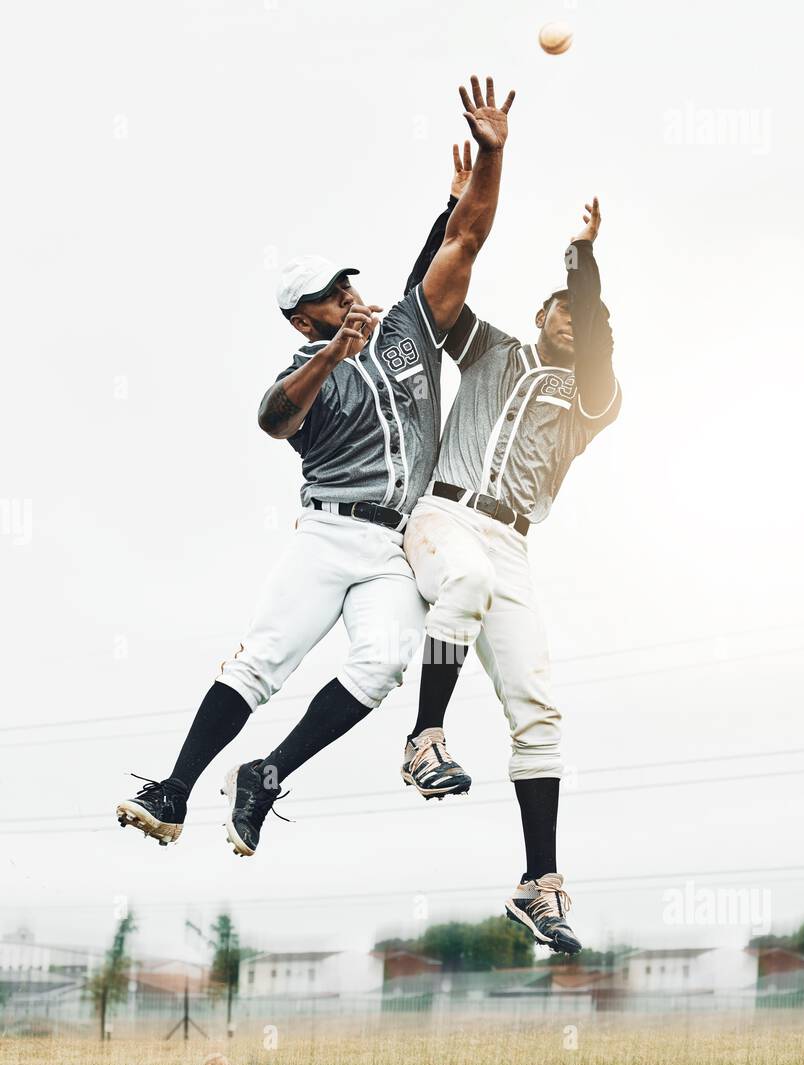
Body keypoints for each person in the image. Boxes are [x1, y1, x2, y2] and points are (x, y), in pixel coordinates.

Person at [116, 75, 515, 857]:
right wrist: (334, 349)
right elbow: (273, 421)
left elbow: (464, 237)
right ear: (304, 318)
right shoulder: (310, 364)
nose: (348, 296)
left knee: (384, 663)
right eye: (330, 297)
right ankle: (174, 791)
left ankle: (266, 773)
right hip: (328, 537)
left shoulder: (404, 329)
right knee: (262, 662)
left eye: (347, 284)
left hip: (391, 547)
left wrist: (494, 157)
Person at [401, 194, 621, 953]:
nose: (572, 318)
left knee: (539, 710)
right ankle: (425, 736)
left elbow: (592, 327)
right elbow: (423, 304)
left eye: (585, 315)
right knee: (461, 581)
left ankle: (539, 884)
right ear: (536, 314)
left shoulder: (594, 396)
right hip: (445, 513)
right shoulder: (493, 349)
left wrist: (580, 256)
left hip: (514, 542)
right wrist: (452, 211)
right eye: (560, 308)